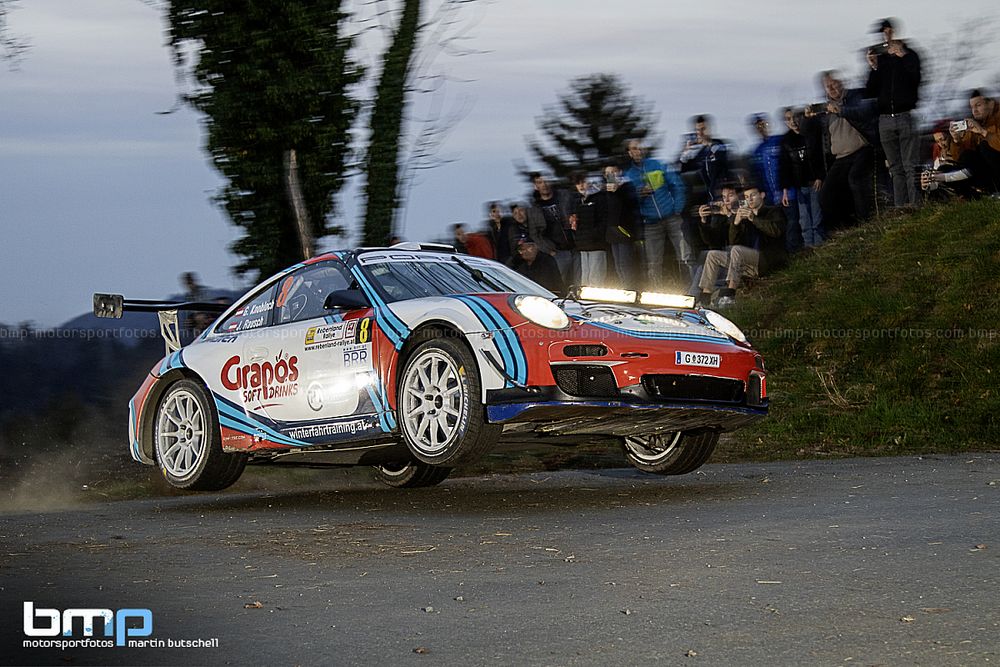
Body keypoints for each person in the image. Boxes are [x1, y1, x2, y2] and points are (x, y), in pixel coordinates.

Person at [808, 71, 878, 231]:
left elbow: (864, 113)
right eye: (827, 86)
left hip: (862, 149)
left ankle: (866, 224)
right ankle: (842, 231)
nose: (831, 88)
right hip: (840, 157)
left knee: (856, 180)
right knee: (826, 194)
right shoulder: (824, 110)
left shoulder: (854, 97)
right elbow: (808, 133)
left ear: (840, 82)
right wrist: (807, 117)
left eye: (834, 83)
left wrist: (840, 109)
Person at [697, 184, 786, 308]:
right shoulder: (743, 216)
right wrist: (736, 223)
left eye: (753, 195)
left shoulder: (774, 211)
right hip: (746, 263)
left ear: (762, 195)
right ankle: (705, 298)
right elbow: (733, 243)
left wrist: (753, 218)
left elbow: (776, 231)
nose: (749, 199)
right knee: (713, 255)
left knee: (737, 250)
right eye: (746, 197)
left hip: (767, 259)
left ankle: (730, 294)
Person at [865, 17, 922, 207]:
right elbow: (870, 91)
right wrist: (873, 67)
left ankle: (916, 207)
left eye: (889, 31)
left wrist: (903, 56)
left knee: (910, 166)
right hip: (885, 120)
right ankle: (901, 209)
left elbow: (917, 80)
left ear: (895, 32)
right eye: (882, 32)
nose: (886, 36)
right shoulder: (880, 60)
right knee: (896, 168)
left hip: (905, 115)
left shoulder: (911, 54)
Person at [622, 139, 689, 289]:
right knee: (653, 262)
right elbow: (629, 202)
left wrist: (677, 208)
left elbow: (677, 185)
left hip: (672, 217)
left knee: (685, 255)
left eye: (640, 148)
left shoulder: (658, 164)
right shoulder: (629, 175)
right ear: (629, 152)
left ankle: (691, 292)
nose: (638, 151)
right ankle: (656, 295)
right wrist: (640, 194)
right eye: (634, 149)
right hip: (650, 223)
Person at [750, 112, 799, 251]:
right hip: (770, 198)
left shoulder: (780, 140)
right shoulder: (756, 151)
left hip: (788, 193)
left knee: (793, 223)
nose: (761, 128)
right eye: (757, 126)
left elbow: (788, 164)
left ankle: (796, 251)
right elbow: (756, 176)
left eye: (763, 124)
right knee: (777, 227)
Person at [780, 107, 825, 247]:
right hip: (799, 185)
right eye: (788, 119)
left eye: (794, 117)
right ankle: (809, 248)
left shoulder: (810, 134)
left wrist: (820, 176)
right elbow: (785, 166)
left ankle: (820, 246)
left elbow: (819, 155)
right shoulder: (786, 140)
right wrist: (785, 189)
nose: (793, 122)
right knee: (804, 220)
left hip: (815, 182)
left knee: (817, 218)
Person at [942, 89, 1000, 193]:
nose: (974, 111)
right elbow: (961, 158)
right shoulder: (974, 124)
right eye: (972, 107)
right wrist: (957, 140)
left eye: (978, 105)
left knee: (984, 146)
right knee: (945, 169)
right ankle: (979, 192)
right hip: (987, 174)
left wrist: (983, 132)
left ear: (991, 104)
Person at [529, 172, 577, 284]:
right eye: (540, 182)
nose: (544, 185)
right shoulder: (535, 208)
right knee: (561, 282)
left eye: (546, 181)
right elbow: (534, 233)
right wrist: (549, 250)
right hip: (557, 251)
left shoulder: (563, 198)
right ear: (536, 186)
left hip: (575, 246)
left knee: (579, 282)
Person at [596, 164, 640, 288]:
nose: (611, 176)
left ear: (619, 172)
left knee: (627, 265)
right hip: (612, 232)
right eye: (608, 173)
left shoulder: (627, 187)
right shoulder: (606, 192)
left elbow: (631, 204)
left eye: (613, 172)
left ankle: (631, 290)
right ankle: (624, 289)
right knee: (618, 266)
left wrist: (618, 191)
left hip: (624, 231)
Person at [569, 172, 608, 286]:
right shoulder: (579, 201)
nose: (581, 186)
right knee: (585, 277)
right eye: (578, 183)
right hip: (583, 244)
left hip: (596, 244)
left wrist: (595, 235)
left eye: (583, 182)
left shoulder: (599, 198)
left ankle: (596, 301)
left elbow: (603, 220)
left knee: (596, 277)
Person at [920, 123, 977, 201]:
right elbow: (936, 182)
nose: (941, 144)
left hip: (967, 182)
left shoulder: (959, 148)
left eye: (943, 139)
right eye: (937, 141)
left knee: (943, 168)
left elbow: (969, 170)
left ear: (950, 136)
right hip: (948, 189)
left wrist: (942, 176)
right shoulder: (938, 157)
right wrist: (926, 185)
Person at [485, 201, 515, 265]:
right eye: (494, 212)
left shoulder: (510, 225)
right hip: (500, 262)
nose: (497, 214)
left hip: (511, 261)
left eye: (499, 211)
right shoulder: (492, 230)